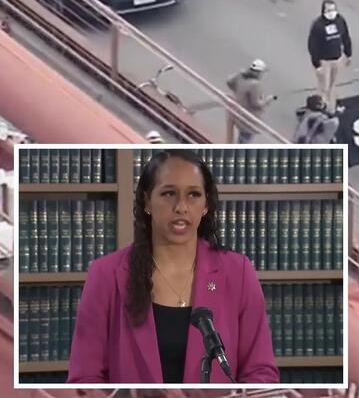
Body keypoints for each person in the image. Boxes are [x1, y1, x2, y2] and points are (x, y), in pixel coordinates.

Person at [67, 149, 278, 382]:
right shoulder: (105, 275)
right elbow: (84, 379)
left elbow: (260, 373)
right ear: (147, 201)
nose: (181, 207)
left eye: (193, 195)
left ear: (206, 204)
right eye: (169, 194)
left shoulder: (238, 272)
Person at [308, 0, 352, 110]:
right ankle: (320, 106)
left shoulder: (340, 20)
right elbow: (312, 45)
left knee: (333, 85)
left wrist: (348, 53)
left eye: (333, 9)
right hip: (324, 61)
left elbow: (345, 37)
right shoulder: (318, 25)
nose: (331, 12)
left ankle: (331, 107)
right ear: (324, 11)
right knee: (324, 86)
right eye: (328, 10)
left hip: (337, 59)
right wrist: (316, 64)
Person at [226, 60, 277, 144]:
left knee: (242, 139)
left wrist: (238, 91)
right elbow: (256, 104)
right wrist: (268, 100)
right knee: (245, 141)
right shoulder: (255, 85)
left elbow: (229, 82)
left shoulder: (241, 76)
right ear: (259, 73)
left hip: (238, 112)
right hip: (248, 119)